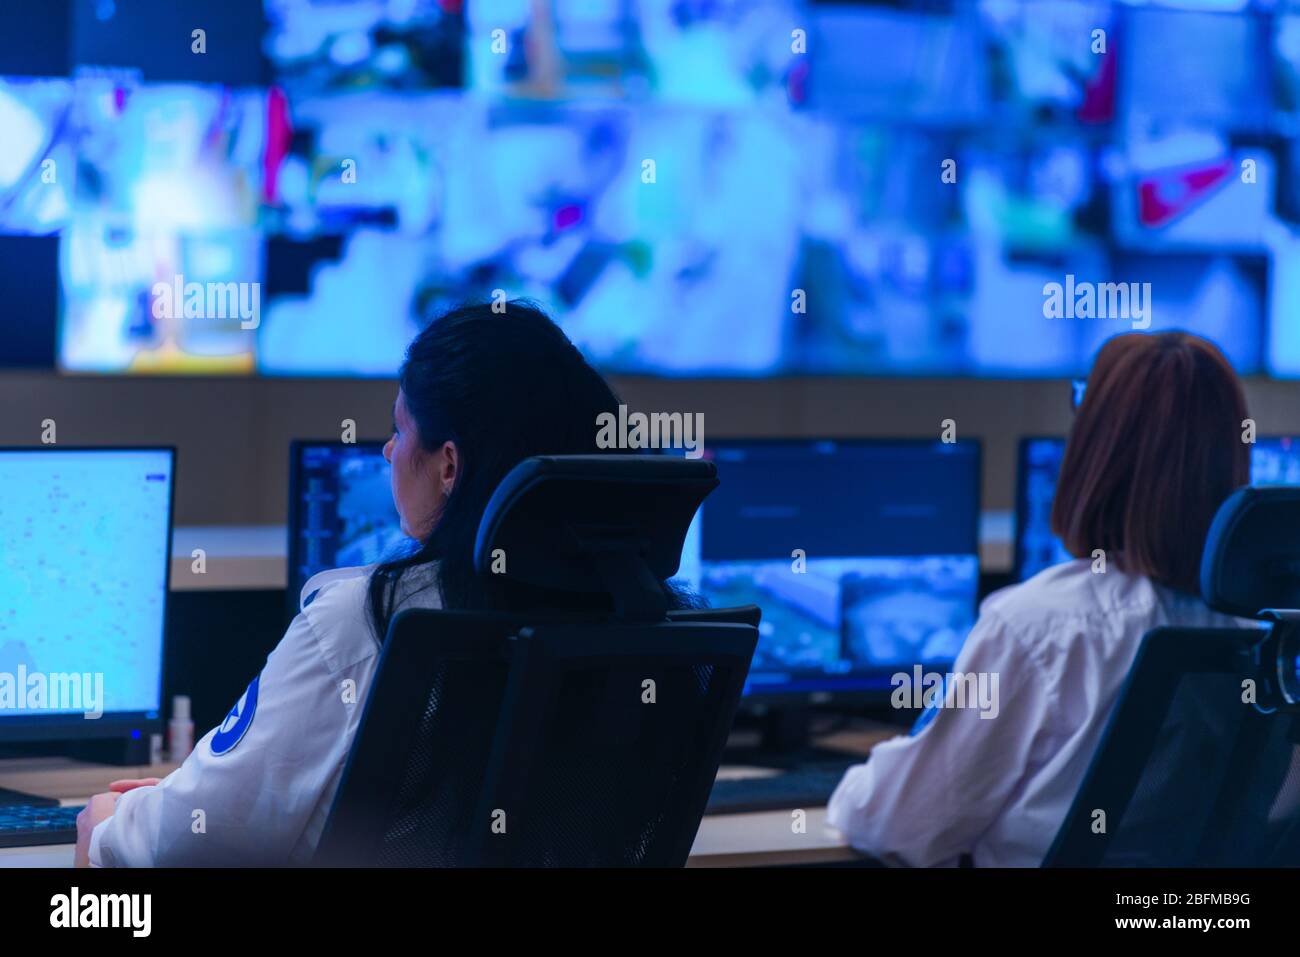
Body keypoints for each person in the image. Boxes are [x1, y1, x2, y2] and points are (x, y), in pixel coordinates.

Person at [77, 301, 655, 866]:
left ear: (449, 466)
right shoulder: (636, 624)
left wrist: (110, 823)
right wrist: (191, 801)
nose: (387, 451)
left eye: (399, 429)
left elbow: (188, 848)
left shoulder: (366, 620)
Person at [827, 331, 1255, 866]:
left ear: (1096, 454)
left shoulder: (1039, 628)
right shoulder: (1267, 639)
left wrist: (849, 785)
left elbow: (897, 824)